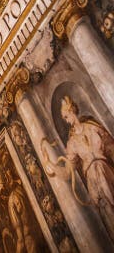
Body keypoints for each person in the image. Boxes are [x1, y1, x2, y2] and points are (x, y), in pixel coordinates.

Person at [51, 95, 114, 240]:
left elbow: (111, 147)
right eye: (64, 118)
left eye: (66, 116)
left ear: (72, 111)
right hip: (92, 178)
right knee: (107, 215)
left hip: (106, 171)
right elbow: (69, 170)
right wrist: (52, 167)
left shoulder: (92, 127)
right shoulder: (72, 143)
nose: (66, 120)